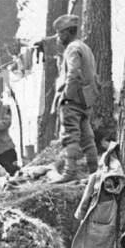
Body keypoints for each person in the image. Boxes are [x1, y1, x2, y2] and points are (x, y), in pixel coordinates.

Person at [41, 14, 99, 182]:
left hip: (73, 101)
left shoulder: (72, 49)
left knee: (70, 136)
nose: (58, 39)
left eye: (59, 35)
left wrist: (66, 96)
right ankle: (94, 172)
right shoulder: (84, 47)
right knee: (87, 138)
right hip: (85, 101)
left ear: (66, 33)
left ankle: (69, 173)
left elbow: (74, 74)